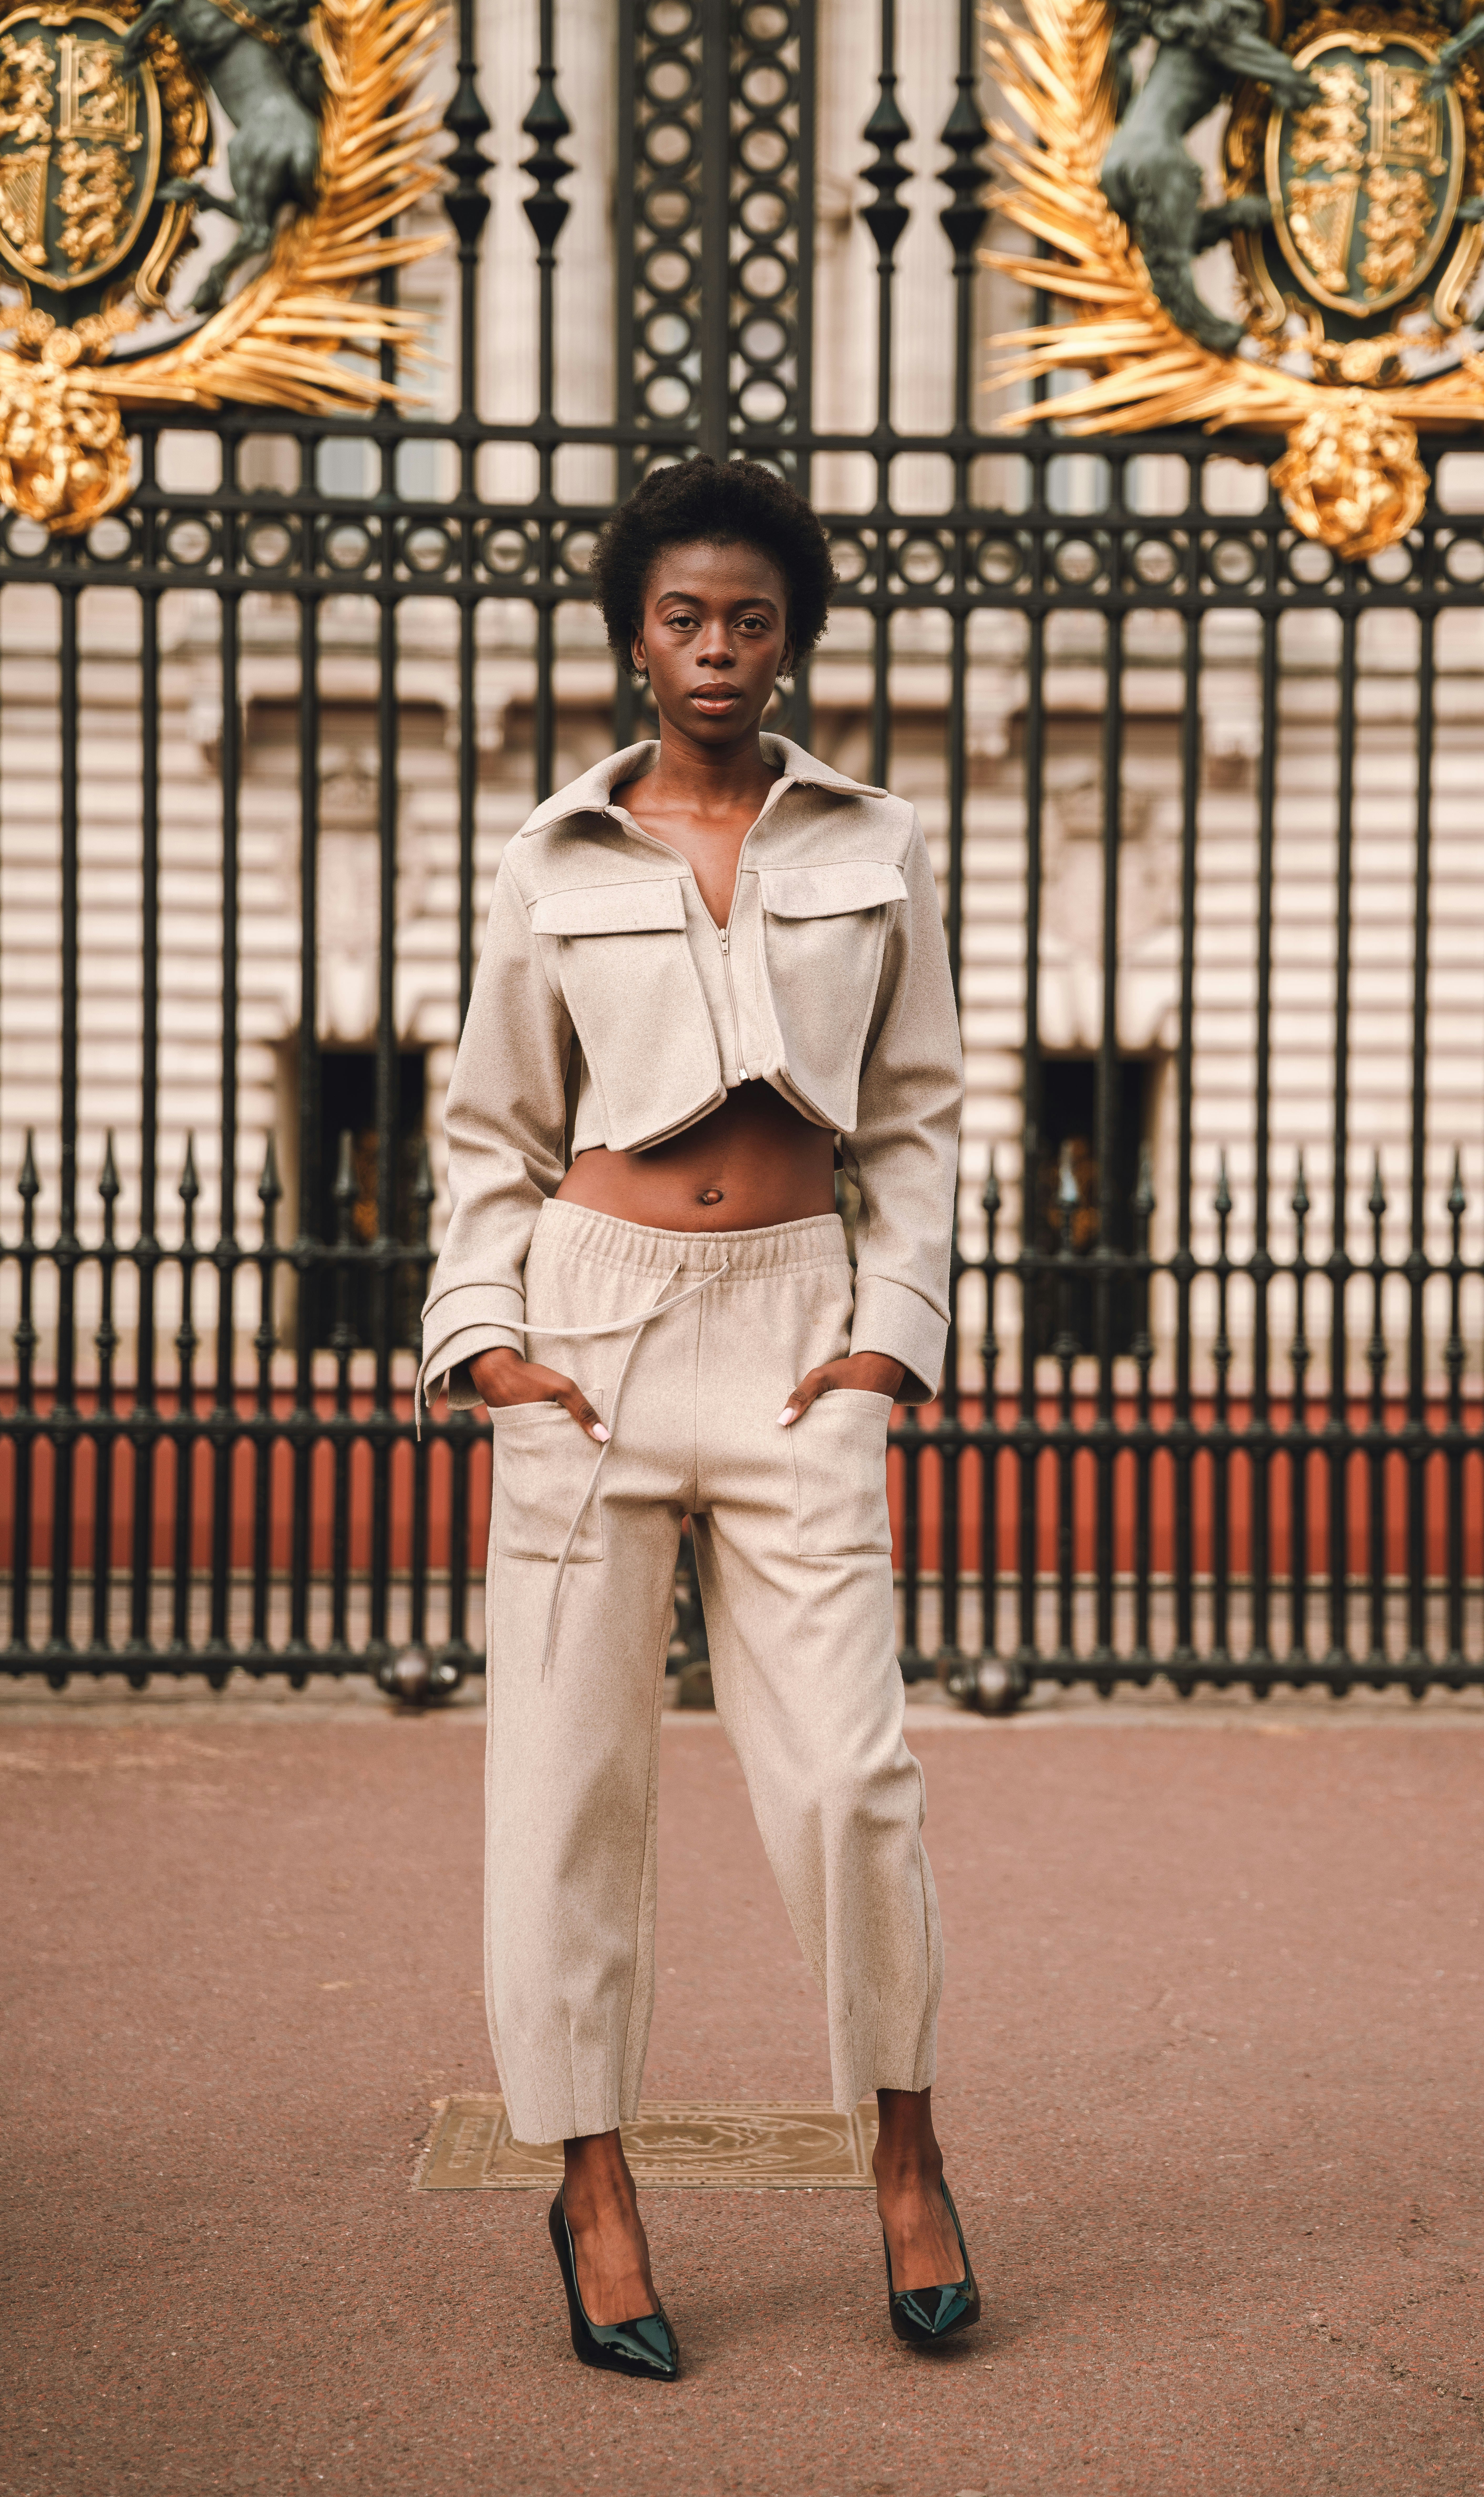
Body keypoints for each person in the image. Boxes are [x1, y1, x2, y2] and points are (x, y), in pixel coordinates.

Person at [418, 456, 977, 2379]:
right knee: (568, 1790)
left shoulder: (878, 840)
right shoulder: (553, 856)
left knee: (850, 1780)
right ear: (633, 642)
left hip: (799, 1340)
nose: (718, 648)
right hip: (592, 1339)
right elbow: (492, 1128)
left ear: (789, 638)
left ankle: (906, 2154)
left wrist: (890, 1336)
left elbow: (920, 1117)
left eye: (750, 617)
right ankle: (593, 2189)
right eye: (684, 619)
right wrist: (490, 1344)